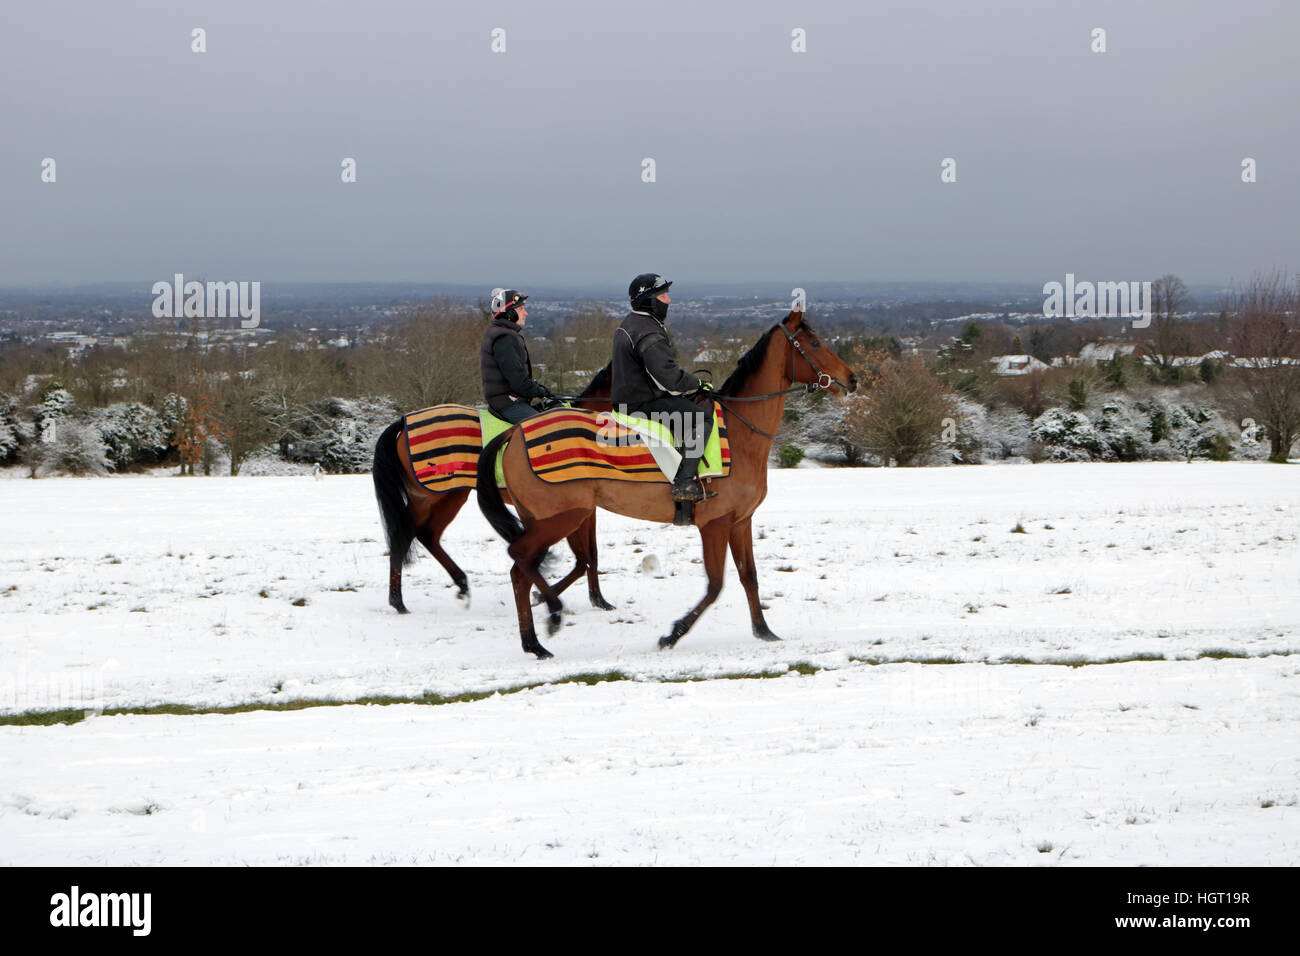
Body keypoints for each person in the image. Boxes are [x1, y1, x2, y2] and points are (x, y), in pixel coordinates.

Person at [611, 273, 715, 502]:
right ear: (649, 300)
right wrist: (697, 384)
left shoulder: (631, 323)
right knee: (702, 418)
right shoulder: (648, 330)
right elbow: (667, 377)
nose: (668, 300)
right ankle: (684, 481)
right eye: (663, 295)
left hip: (629, 399)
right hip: (643, 403)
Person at [480, 288, 558, 424]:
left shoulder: (502, 333)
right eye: (521, 309)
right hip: (508, 402)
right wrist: (539, 391)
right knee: (545, 428)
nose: (526, 313)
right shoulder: (505, 339)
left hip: (511, 399)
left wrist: (540, 390)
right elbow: (517, 381)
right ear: (509, 313)